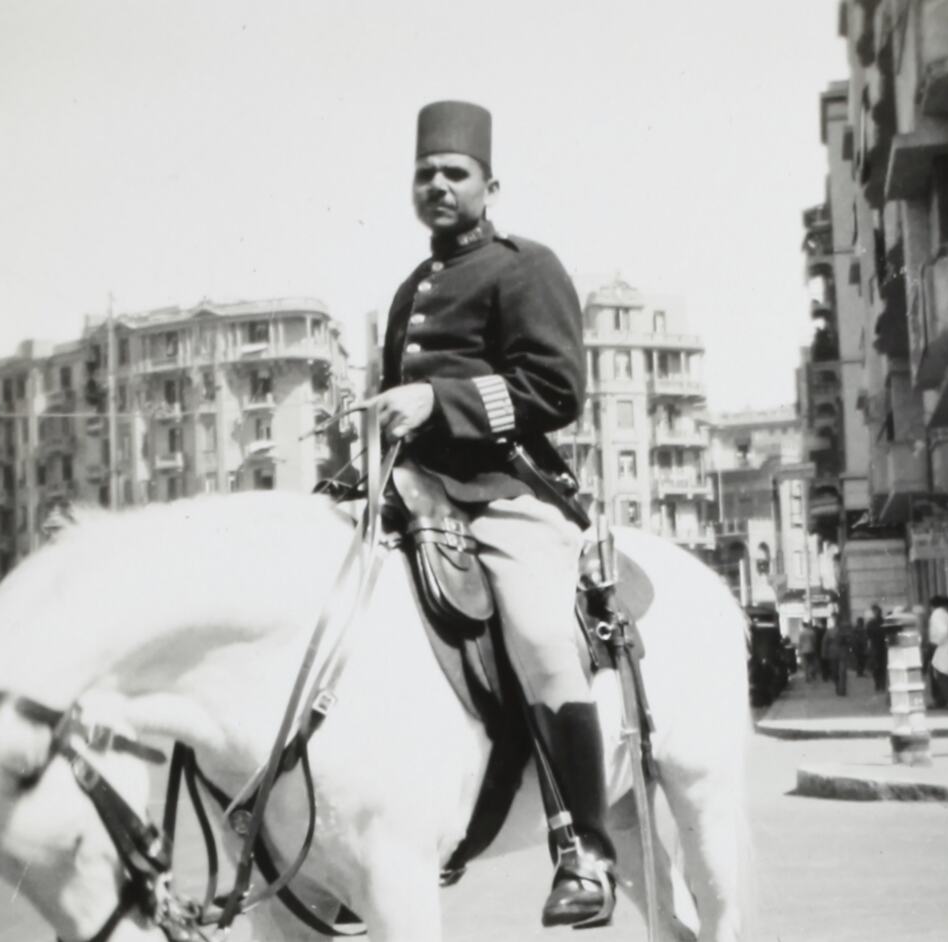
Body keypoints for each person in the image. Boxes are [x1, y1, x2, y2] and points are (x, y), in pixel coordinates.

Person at [368, 100, 612, 927]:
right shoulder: (411, 288)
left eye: (454, 172)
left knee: (540, 636)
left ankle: (586, 852)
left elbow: (556, 389)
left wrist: (437, 401)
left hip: (504, 493)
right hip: (415, 493)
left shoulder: (525, 267)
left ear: (489, 186)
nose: (437, 185)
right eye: (424, 174)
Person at [926, 596, 948, 709]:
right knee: (943, 674)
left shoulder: (936, 614)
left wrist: (934, 643)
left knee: (941, 676)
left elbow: (941, 632)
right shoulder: (947, 615)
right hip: (946, 646)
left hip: (940, 647)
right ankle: (942, 700)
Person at [866, 604, 887, 693]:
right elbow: (868, 635)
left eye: (875, 611)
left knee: (880, 666)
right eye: (874, 611)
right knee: (877, 666)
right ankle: (879, 684)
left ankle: (880, 684)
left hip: (880, 646)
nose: (875, 613)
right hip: (877, 647)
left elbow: (868, 635)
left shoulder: (882, 622)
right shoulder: (872, 623)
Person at [824, 620, 848, 696]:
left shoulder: (831, 631)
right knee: (839, 672)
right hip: (838, 653)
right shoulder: (843, 631)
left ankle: (840, 688)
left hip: (836, 653)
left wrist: (824, 653)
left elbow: (825, 642)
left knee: (838, 671)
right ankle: (840, 687)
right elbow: (825, 642)